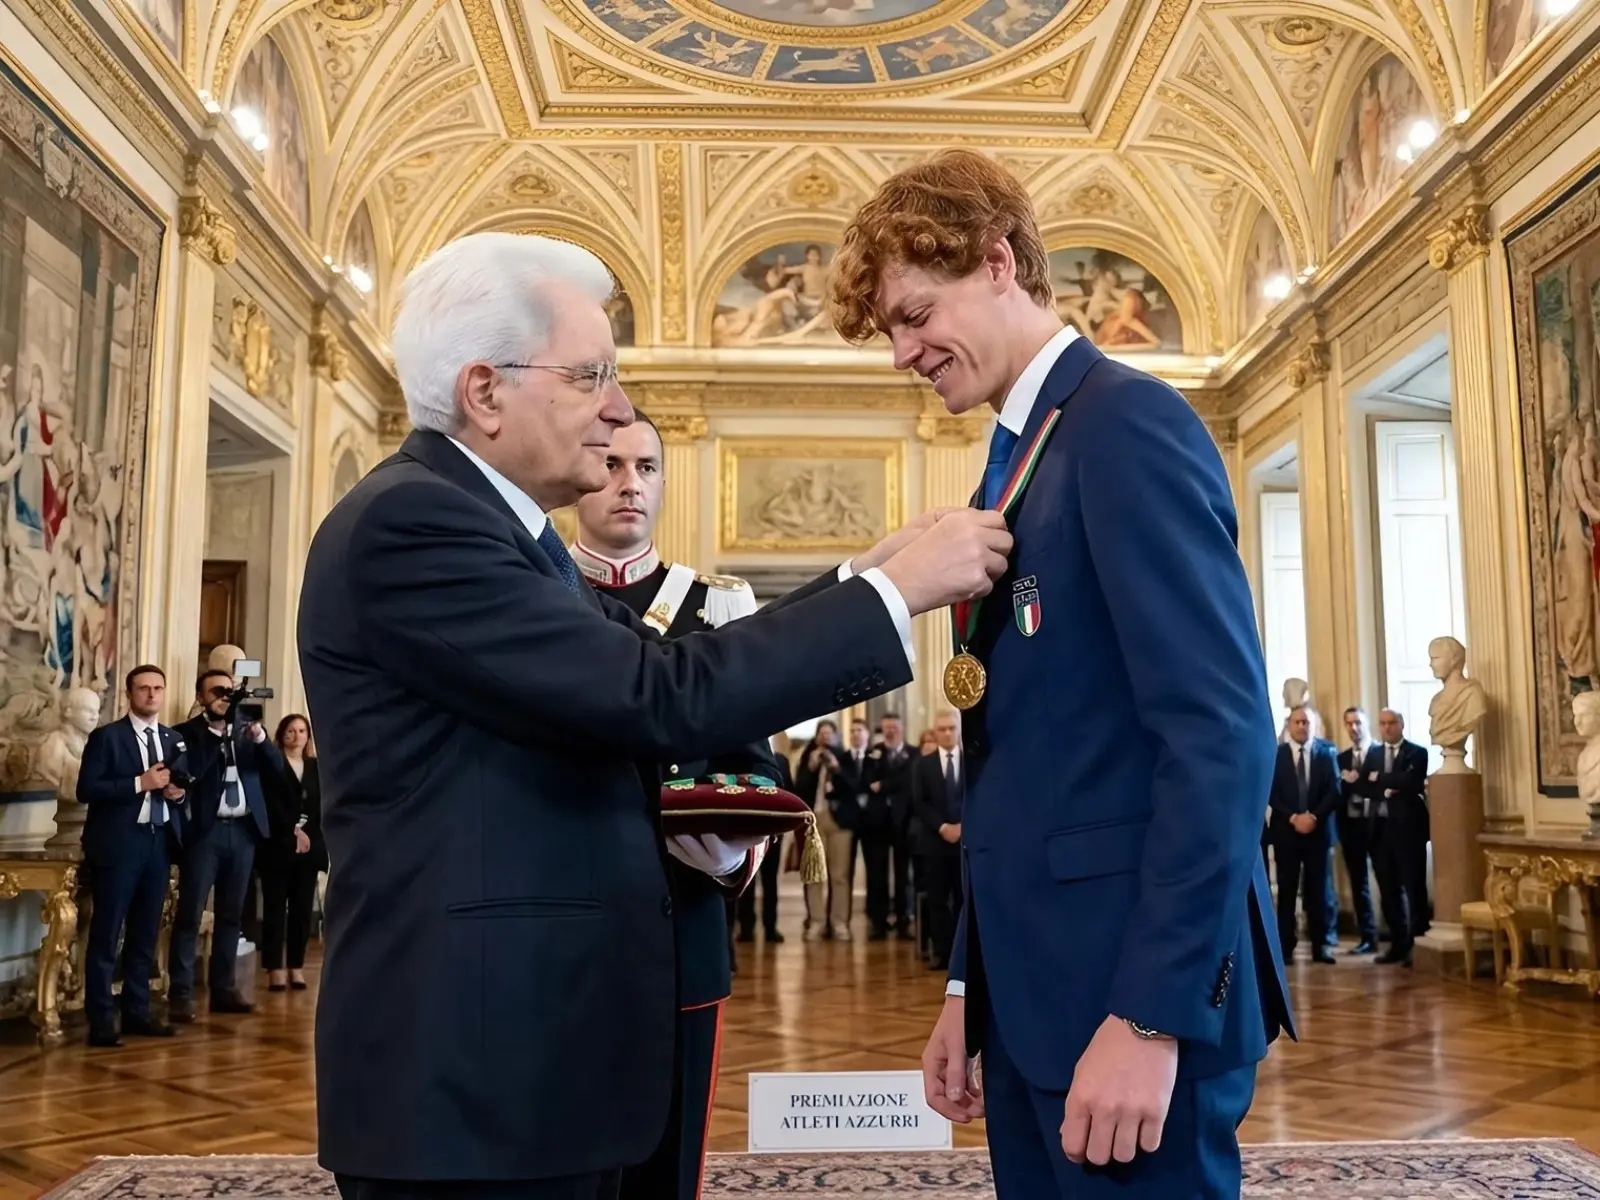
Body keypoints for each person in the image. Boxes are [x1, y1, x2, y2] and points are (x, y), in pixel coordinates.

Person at [296, 231, 1012, 1200]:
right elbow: (658, 697)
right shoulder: (415, 524)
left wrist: (866, 576)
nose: (618, 408)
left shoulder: (499, 531)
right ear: (484, 391)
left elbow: (659, 658)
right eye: (590, 373)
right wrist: (895, 600)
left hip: (530, 1072)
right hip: (475, 1090)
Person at [830, 150, 1294, 1198]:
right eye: (890, 331)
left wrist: (1149, 1014)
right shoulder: (1021, 453)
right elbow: (1024, 765)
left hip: (1124, 1002)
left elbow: (1216, 736)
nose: (903, 352)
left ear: (997, 262)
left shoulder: (1124, 426)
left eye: (914, 315)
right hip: (1039, 998)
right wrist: (967, 986)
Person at [570, 411, 775, 1200]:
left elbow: (755, 771)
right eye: (613, 463)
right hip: (562, 925)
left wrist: (733, 854)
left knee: (669, 1162)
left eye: (647, 467)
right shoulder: (530, 592)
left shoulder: (717, 607)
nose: (630, 483)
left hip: (680, 922)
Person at [76, 665, 188, 1046]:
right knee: (107, 935)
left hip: (157, 845)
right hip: (118, 847)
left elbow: (178, 786)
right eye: (144, 689)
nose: (152, 695)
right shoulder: (107, 737)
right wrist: (141, 783)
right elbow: (87, 788)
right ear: (130, 694)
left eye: (158, 688)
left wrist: (177, 794)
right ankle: (102, 1019)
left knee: (145, 934)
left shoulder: (172, 739)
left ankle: (138, 1011)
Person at [169, 670, 283, 1021]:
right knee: (190, 913)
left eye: (229, 691)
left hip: (244, 831)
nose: (224, 697)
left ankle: (224, 989)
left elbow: (277, 770)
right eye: (216, 692)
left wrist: (261, 739)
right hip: (206, 832)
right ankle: (182, 994)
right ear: (201, 696)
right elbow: (187, 774)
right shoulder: (187, 733)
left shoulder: (249, 731)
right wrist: (218, 738)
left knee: (232, 915)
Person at [1267, 707, 1339, 965]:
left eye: (1306, 721)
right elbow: (1272, 793)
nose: (1302, 726)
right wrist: (1294, 818)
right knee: (1287, 892)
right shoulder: (1277, 755)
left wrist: (1313, 817)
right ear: (1289, 724)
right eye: (1297, 721)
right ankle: (1285, 946)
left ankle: (1322, 946)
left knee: (1319, 891)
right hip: (1287, 833)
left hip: (1317, 833)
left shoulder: (1326, 752)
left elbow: (1334, 790)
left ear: (1313, 724)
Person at [259, 713, 325, 991]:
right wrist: (292, 831)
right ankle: (274, 968)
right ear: (281, 734)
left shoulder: (317, 768)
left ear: (308, 736)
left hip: (309, 849)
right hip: (277, 845)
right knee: (274, 908)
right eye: (291, 730)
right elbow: (268, 802)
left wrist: (306, 833)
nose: (296, 735)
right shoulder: (272, 764)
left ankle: (296, 967)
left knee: (301, 911)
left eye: (301, 730)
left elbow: (322, 806)